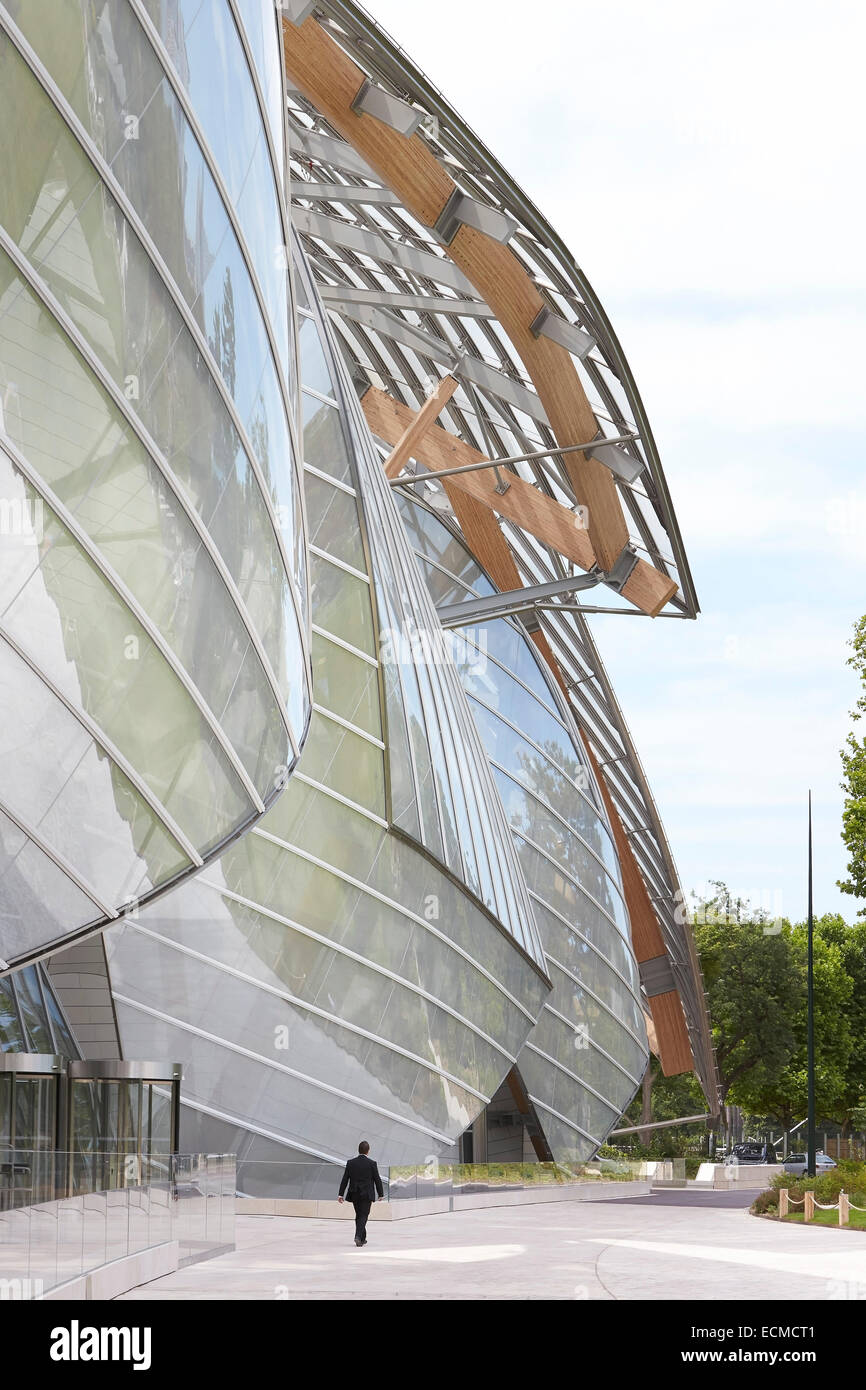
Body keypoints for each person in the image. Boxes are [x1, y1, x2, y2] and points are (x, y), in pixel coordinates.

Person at [338, 1140, 384, 1246]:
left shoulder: (351, 1163)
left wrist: (341, 1194)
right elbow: (377, 1179)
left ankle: (362, 1239)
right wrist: (380, 1194)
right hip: (367, 1194)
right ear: (368, 1151)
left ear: (358, 1150)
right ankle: (358, 1236)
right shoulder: (372, 1163)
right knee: (363, 1215)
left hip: (354, 1193)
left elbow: (345, 1179)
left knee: (359, 1215)